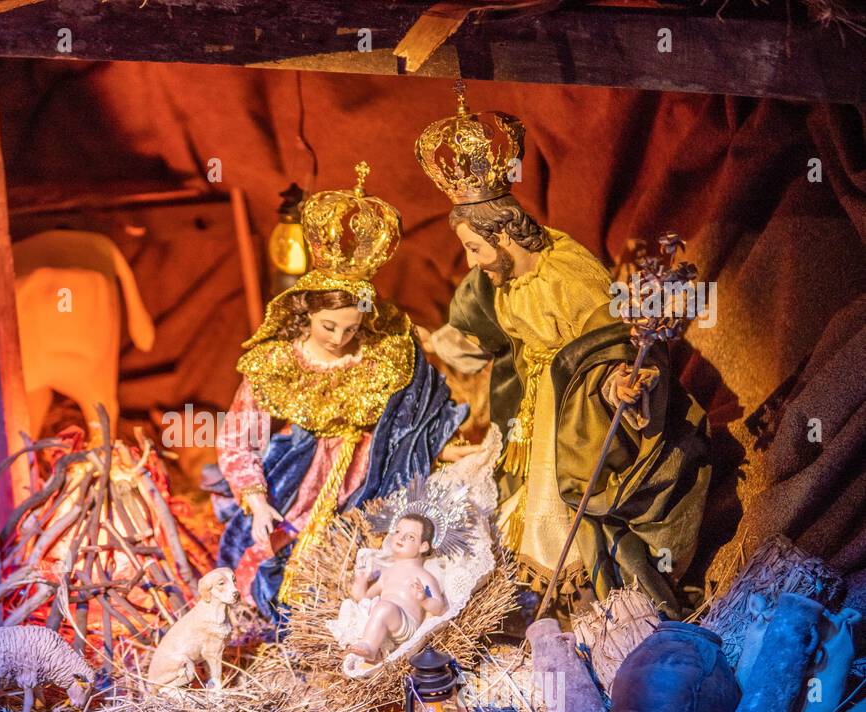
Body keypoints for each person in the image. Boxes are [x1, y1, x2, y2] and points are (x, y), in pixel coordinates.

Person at [416, 85, 711, 618]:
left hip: (574, 414)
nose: (472, 260)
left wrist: (615, 383)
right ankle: (528, 601)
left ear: (504, 236)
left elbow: (611, 347)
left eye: (475, 247)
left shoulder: (568, 275)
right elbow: (492, 342)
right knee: (524, 499)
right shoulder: (501, 281)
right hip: (535, 406)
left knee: (561, 510)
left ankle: (576, 605)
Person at [216, 163, 467, 622]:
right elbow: (238, 435)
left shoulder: (386, 354)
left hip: (372, 483)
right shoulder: (277, 362)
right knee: (278, 571)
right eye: (328, 326)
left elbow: (420, 418)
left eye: (351, 329)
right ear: (306, 313)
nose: (338, 338)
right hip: (299, 480)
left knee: (363, 579)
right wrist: (256, 501)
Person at [346, 514, 447, 663]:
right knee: (369, 608)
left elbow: (440, 608)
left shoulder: (422, 576)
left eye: (411, 537)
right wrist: (360, 583)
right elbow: (365, 598)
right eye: (398, 532)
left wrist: (424, 599)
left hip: (405, 623)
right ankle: (377, 649)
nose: (401, 538)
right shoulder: (387, 573)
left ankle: (369, 648)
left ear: (423, 546)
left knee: (384, 608)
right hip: (382, 617)